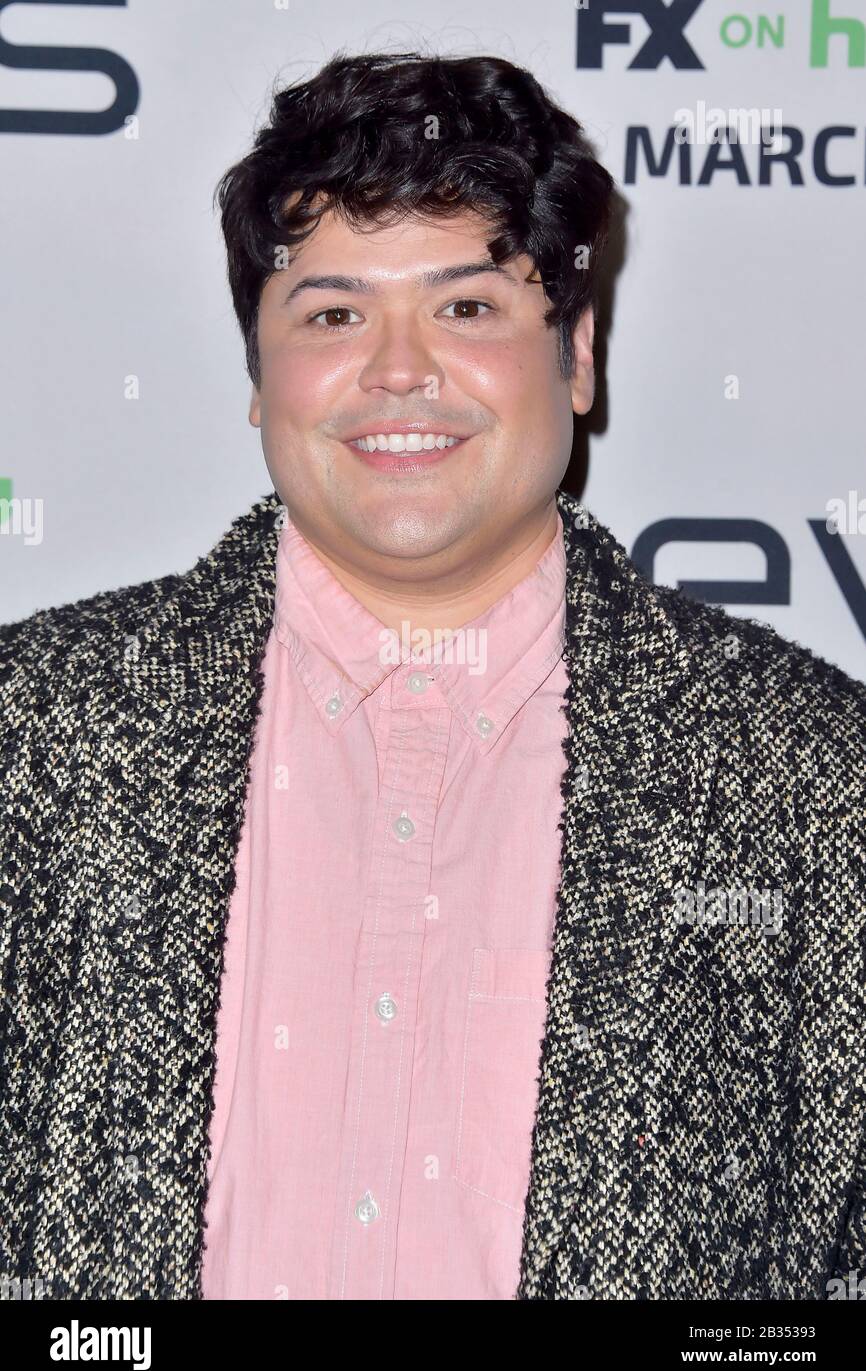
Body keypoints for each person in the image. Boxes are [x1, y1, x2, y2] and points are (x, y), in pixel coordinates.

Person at [1, 50, 864, 1303]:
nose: (398, 373)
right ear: (258, 375)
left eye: (465, 309)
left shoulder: (808, 777)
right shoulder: (39, 733)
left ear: (574, 353)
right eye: (334, 314)